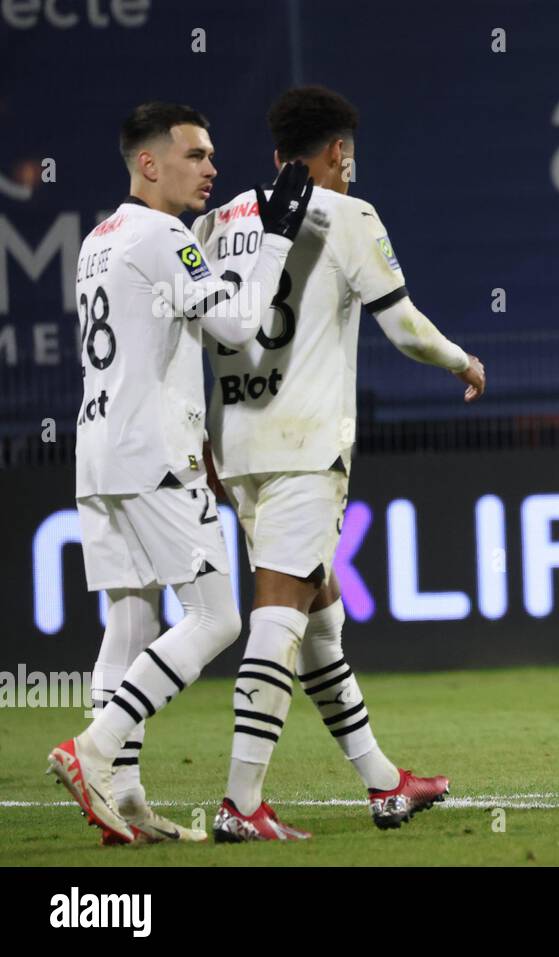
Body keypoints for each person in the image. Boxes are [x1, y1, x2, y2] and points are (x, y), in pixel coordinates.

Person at [193, 85, 485, 840]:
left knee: (322, 621)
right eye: (347, 156)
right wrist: (462, 360)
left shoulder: (216, 222)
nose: (351, 168)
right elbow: (406, 328)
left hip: (238, 449)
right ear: (334, 154)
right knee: (281, 615)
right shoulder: (350, 215)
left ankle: (385, 783)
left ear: (275, 154)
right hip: (303, 448)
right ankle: (240, 801)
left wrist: (201, 433)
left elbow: (202, 335)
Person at [49, 101, 314, 843]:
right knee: (218, 617)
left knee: (130, 618)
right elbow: (236, 325)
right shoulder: (164, 234)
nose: (211, 167)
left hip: (97, 450)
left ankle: (122, 798)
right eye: (196, 154)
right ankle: (92, 750)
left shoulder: (97, 240)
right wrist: (275, 242)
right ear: (149, 163)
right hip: (152, 456)